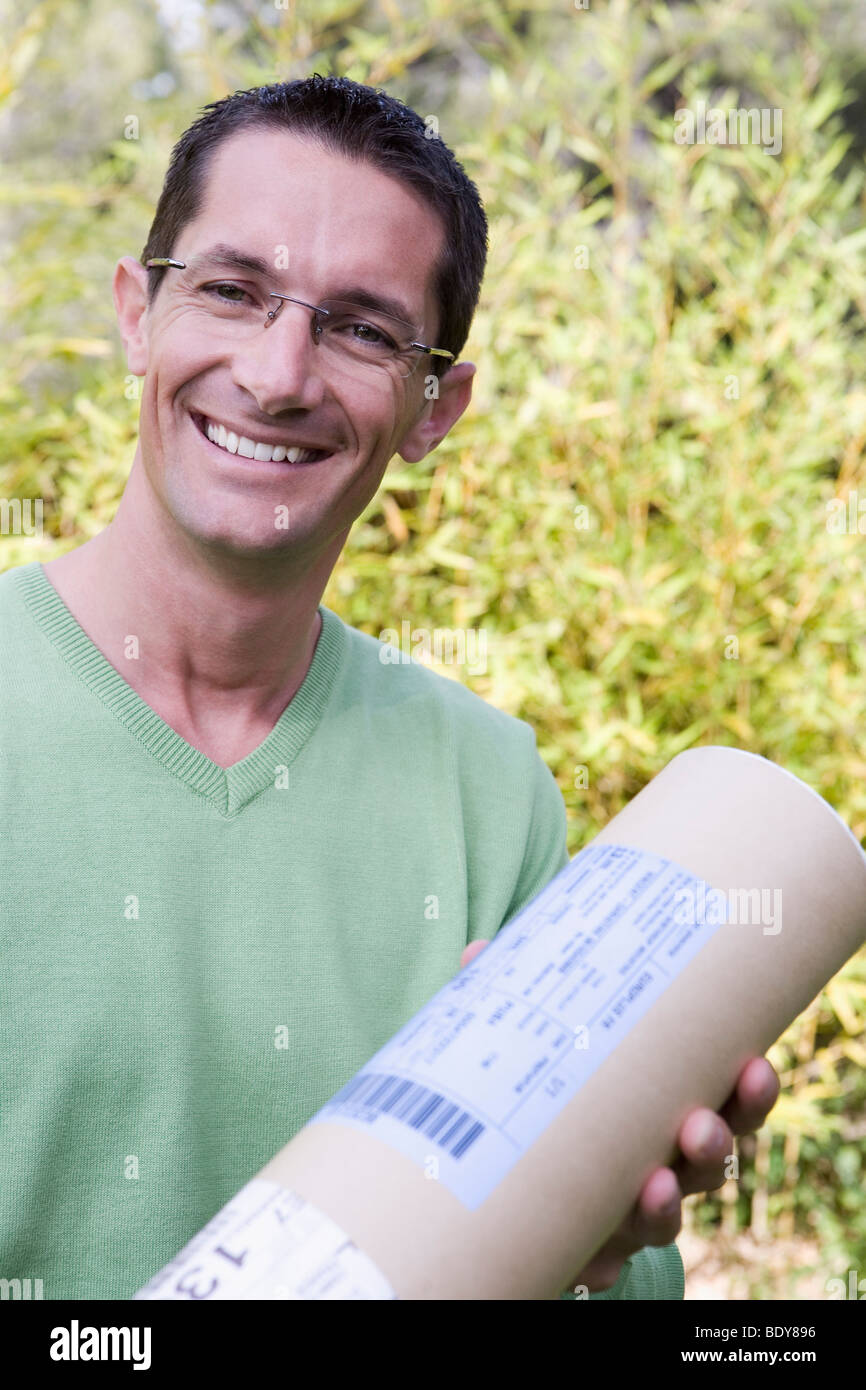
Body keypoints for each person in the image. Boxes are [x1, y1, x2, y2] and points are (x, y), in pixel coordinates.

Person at [0, 74, 778, 1301]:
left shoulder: (485, 789)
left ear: (434, 407)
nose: (277, 373)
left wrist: (590, 1247)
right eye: (230, 289)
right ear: (137, 313)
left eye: (363, 328)